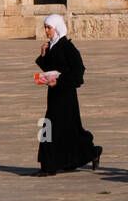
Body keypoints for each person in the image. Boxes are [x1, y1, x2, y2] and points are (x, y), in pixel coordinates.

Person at [32, 14, 101, 176]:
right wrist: (43, 55)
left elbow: (78, 72)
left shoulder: (68, 47)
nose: (46, 31)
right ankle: (92, 152)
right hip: (55, 94)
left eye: (49, 27)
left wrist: (60, 81)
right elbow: (50, 68)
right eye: (45, 27)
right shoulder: (52, 46)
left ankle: (48, 166)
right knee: (69, 130)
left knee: (50, 127)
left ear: (57, 28)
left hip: (66, 95)